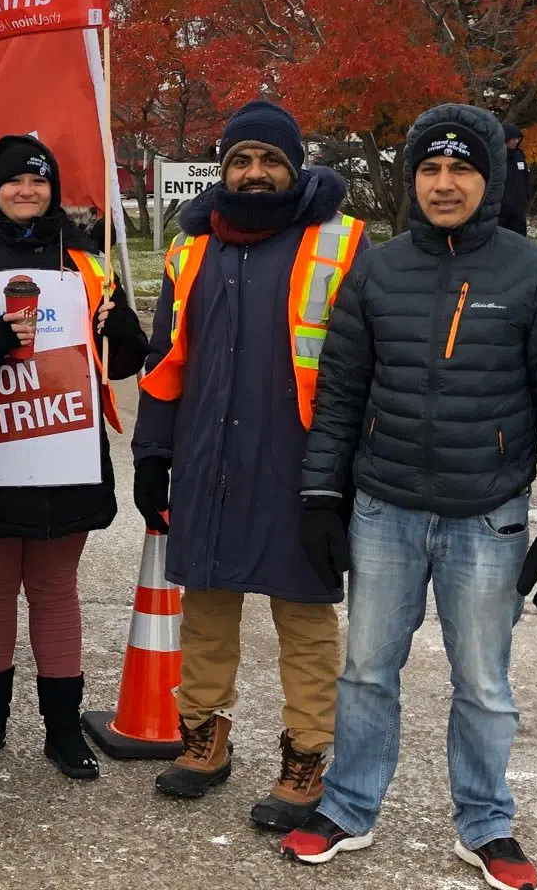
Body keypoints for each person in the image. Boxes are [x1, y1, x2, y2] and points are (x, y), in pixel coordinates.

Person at [279, 105, 537, 890]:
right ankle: (349, 806)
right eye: (430, 170)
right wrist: (322, 496)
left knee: (484, 683)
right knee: (365, 671)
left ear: (486, 182)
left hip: (485, 517)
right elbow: (342, 394)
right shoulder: (380, 270)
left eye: (460, 170)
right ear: (412, 180)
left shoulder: (536, 273)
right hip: (384, 509)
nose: (444, 184)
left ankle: (486, 823)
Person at [131, 100, 366, 830]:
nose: (255, 173)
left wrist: (342, 478)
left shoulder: (342, 244)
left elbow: (365, 369)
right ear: (223, 168)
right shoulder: (191, 249)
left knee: (304, 618)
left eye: (270, 160)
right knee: (205, 606)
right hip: (210, 458)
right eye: (241, 160)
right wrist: (152, 453)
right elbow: (165, 360)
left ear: (294, 167)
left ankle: (305, 756)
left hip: (302, 466)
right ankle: (204, 738)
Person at [0, 135, 148, 780]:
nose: (27, 191)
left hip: (62, 445)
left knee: (55, 592)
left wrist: (121, 331)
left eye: (39, 181)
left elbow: (126, 359)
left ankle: (62, 729)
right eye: (14, 181)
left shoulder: (87, 259)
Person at [498, 122, 530, 236]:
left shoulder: (519, 155)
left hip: (518, 209)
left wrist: (526, 197)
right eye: (513, 139)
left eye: (518, 139)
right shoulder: (496, 156)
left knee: (520, 240)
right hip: (501, 210)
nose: (516, 141)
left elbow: (525, 177)